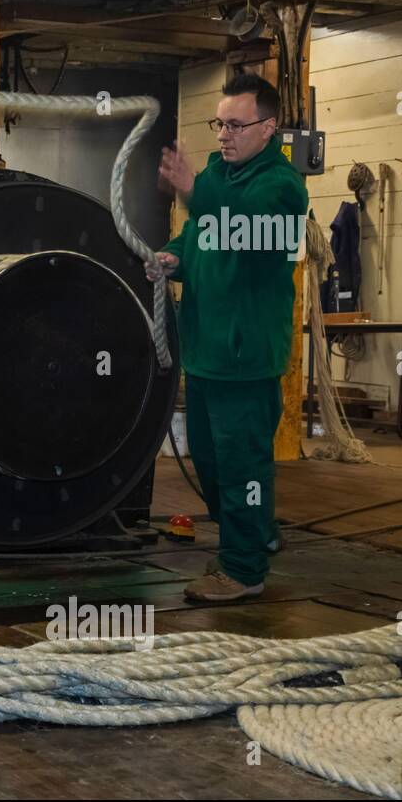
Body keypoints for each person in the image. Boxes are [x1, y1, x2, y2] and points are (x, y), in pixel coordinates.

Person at [148, 72, 309, 602]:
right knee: (213, 467)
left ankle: (242, 571)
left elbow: (244, 231)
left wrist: (197, 190)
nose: (223, 135)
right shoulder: (222, 174)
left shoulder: (281, 189)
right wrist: (174, 257)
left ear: (269, 129)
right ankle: (256, 530)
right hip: (208, 352)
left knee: (241, 464)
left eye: (236, 125)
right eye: (220, 123)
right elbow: (204, 238)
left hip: (245, 357)